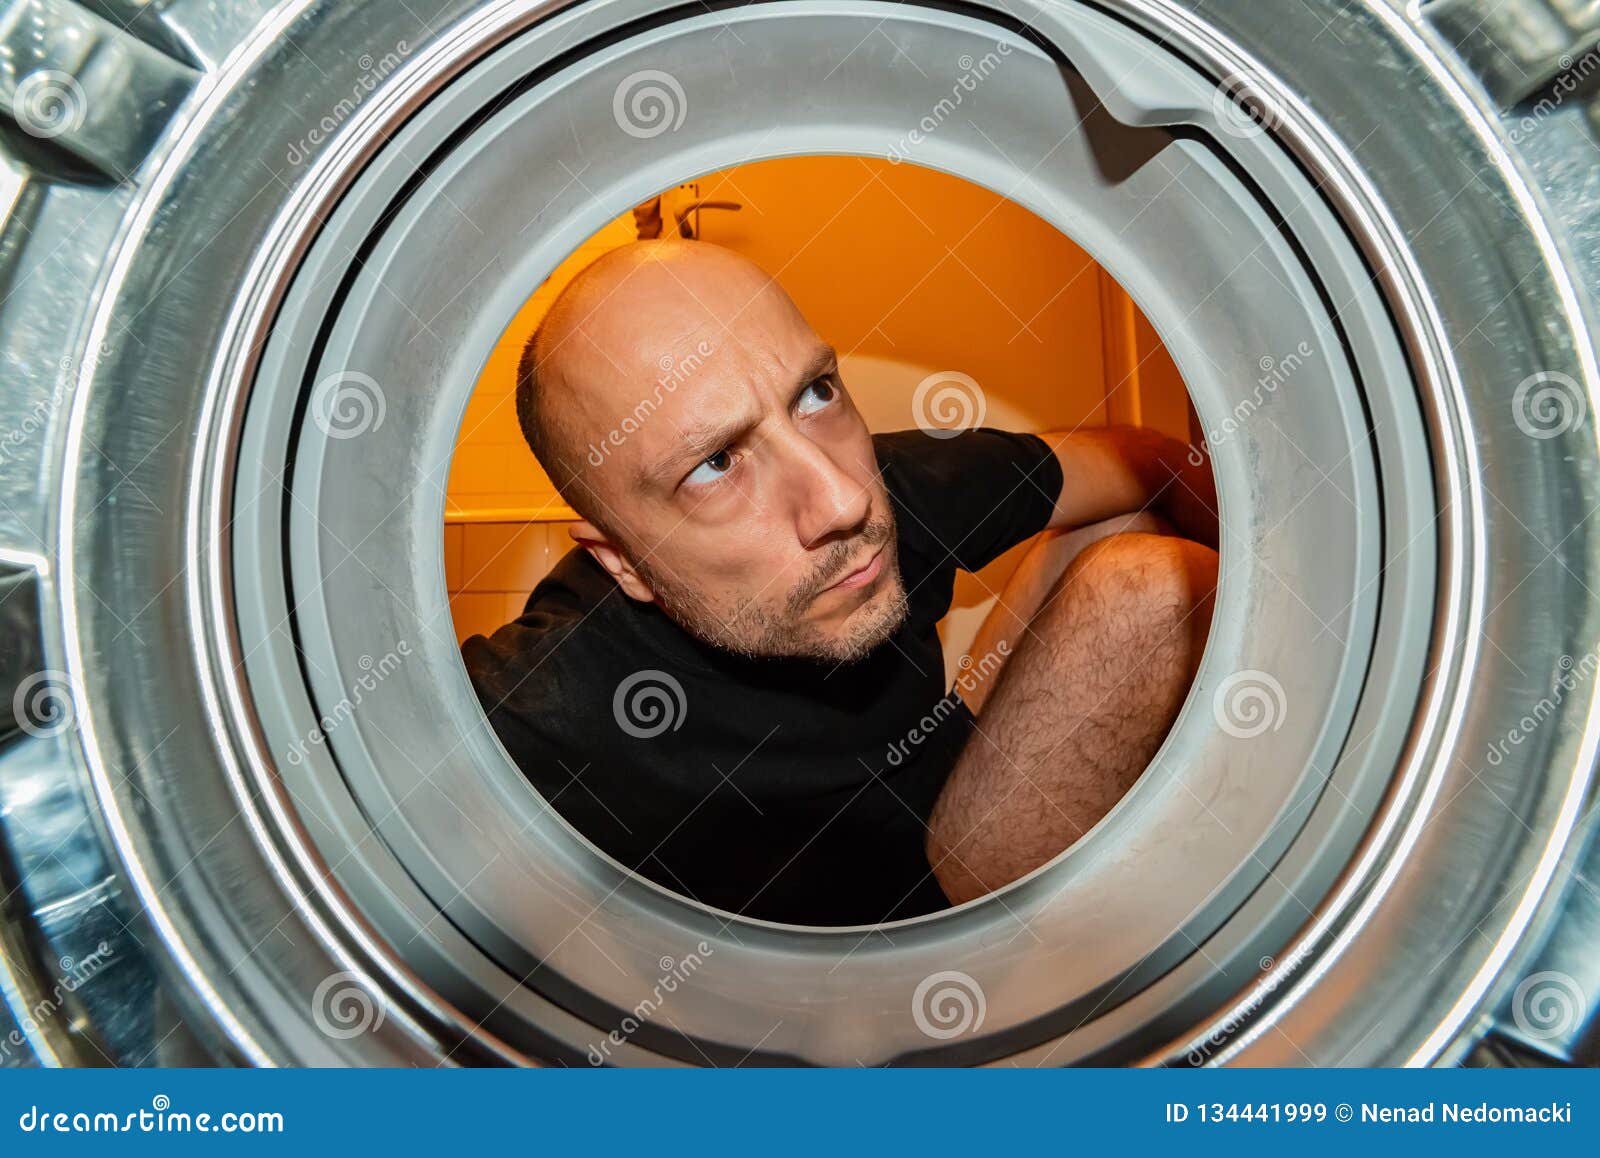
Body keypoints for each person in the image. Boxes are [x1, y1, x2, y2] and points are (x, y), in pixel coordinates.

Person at [461, 240, 1218, 925]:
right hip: (843, 982)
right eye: (715, 463)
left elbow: (1148, 459)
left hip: (957, 812)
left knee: (1140, 547)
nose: (843, 499)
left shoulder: (892, 485)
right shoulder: (558, 696)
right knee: (1149, 584)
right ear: (622, 561)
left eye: (815, 394)